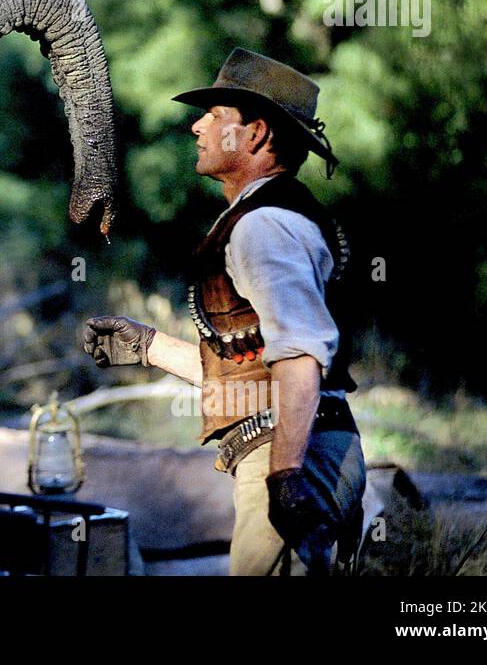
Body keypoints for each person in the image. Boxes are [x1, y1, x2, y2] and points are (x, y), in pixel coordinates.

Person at [83, 48, 367, 575]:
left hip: (294, 453)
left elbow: (301, 356)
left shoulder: (264, 226)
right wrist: (147, 346)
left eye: (214, 116)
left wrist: (284, 475)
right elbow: (250, 366)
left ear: (255, 135)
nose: (196, 127)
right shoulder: (262, 217)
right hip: (298, 448)